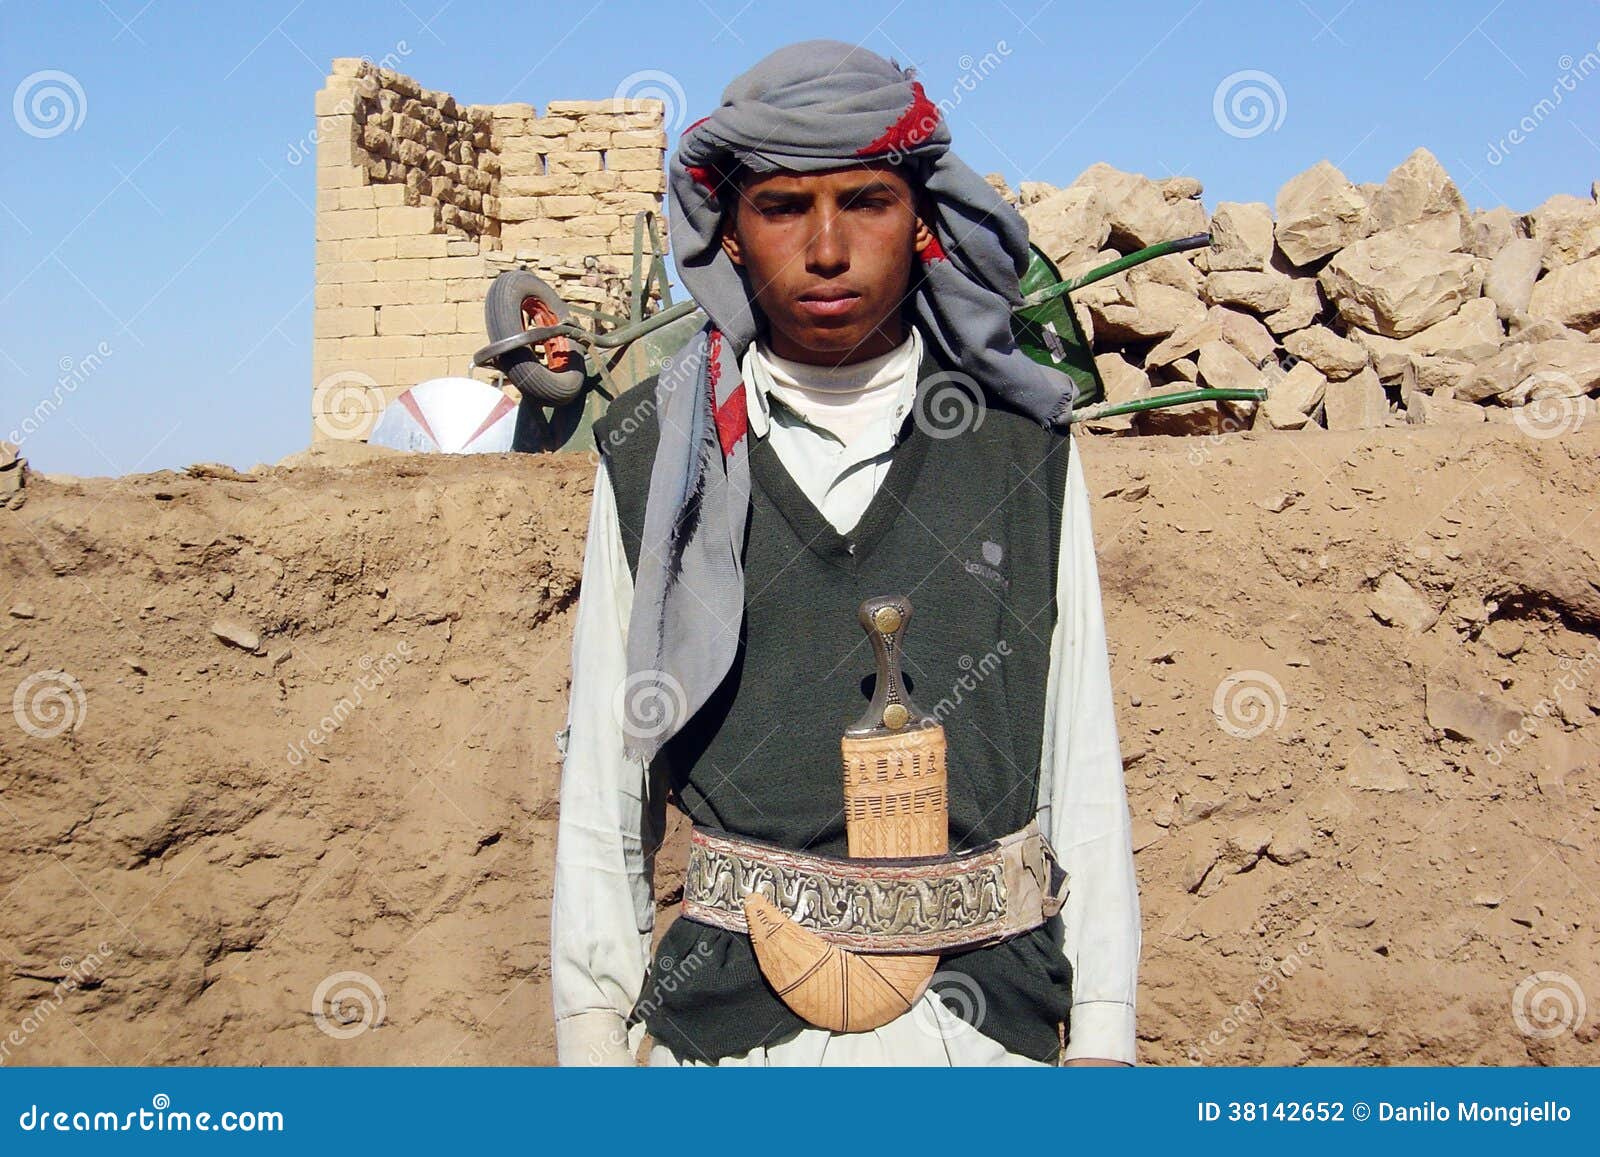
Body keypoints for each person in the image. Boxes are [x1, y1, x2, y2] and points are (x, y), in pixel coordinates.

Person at [550, 38, 1139, 1067]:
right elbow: (609, 769)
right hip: (727, 1046)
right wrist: (592, 1039)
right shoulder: (657, 450)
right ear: (729, 232)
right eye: (781, 207)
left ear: (920, 221)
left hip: (984, 1038)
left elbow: (1078, 759)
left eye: (865, 202)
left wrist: (1100, 1036)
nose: (826, 248)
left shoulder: (1018, 447)